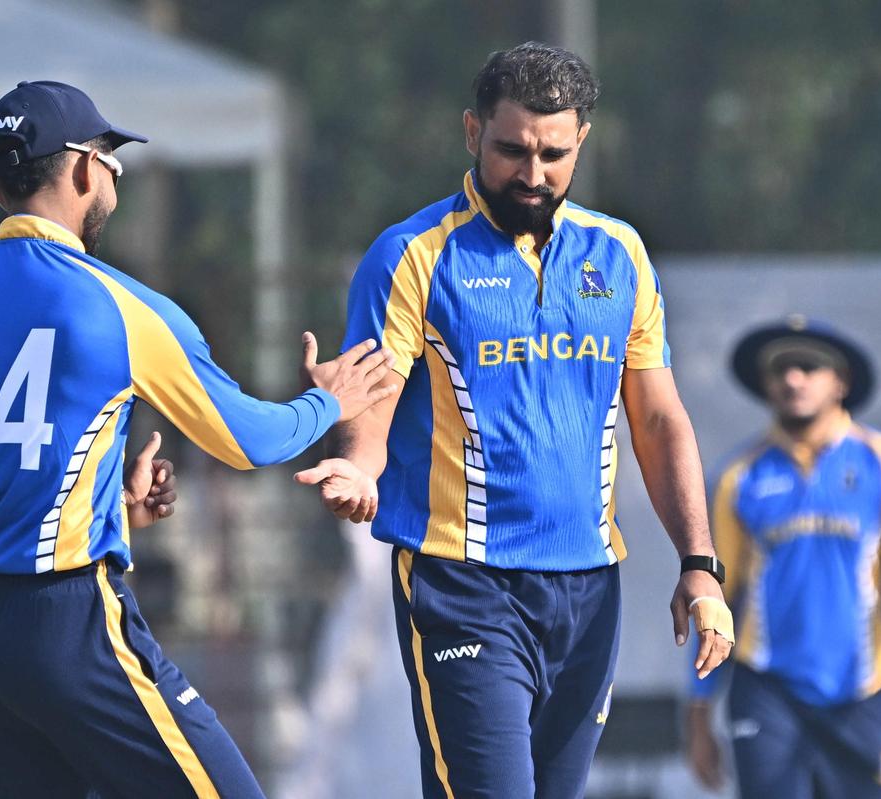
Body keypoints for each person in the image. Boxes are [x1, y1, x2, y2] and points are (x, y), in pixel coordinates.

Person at [0, 80, 396, 798]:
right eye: (111, 162)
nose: (114, 179)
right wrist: (329, 402)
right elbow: (249, 441)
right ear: (83, 168)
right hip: (67, 623)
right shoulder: (118, 303)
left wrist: (110, 507)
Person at [294, 42, 734, 798]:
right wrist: (359, 467)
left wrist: (700, 563)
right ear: (472, 132)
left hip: (588, 589)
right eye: (512, 150)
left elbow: (659, 419)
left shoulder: (620, 254)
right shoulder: (412, 255)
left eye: (553, 154)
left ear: (582, 141)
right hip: (462, 584)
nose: (533, 174)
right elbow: (374, 394)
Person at [686, 315, 881, 799]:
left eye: (808, 367)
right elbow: (715, 600)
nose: (793, 379)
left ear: (841, 381)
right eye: (780, 369)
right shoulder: (741, 477)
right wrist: (699, 713)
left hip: (864, 690)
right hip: (767, 690)